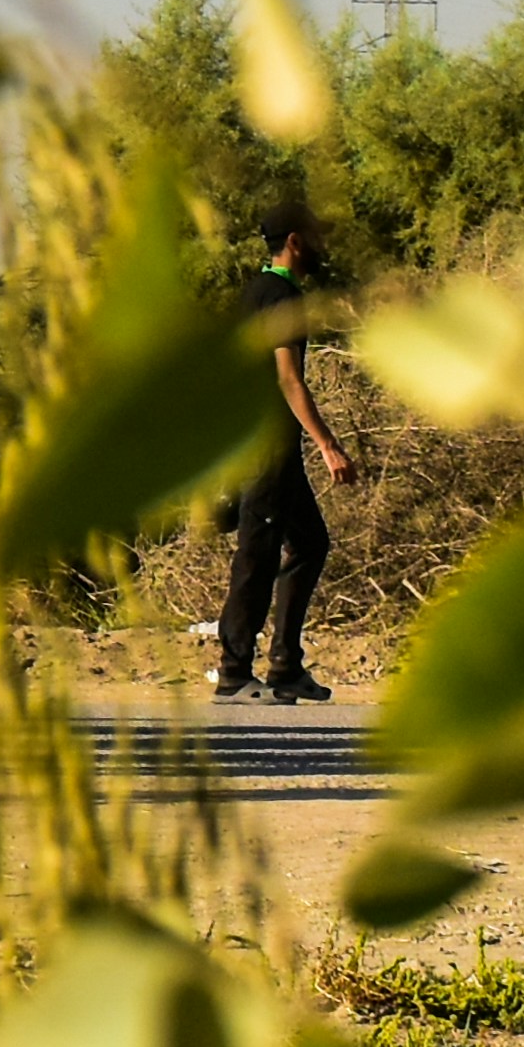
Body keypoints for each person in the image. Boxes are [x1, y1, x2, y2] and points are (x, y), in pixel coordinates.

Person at [211, 216, 354, 704]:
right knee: (257, 552)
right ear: (295, 241)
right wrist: (328, 444)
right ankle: (233, 671)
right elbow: (287, 379)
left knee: (310, 543)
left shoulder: (254, 293)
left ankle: (286, 667)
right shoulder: (279, 296)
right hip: (267, 446)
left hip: (267, 445)